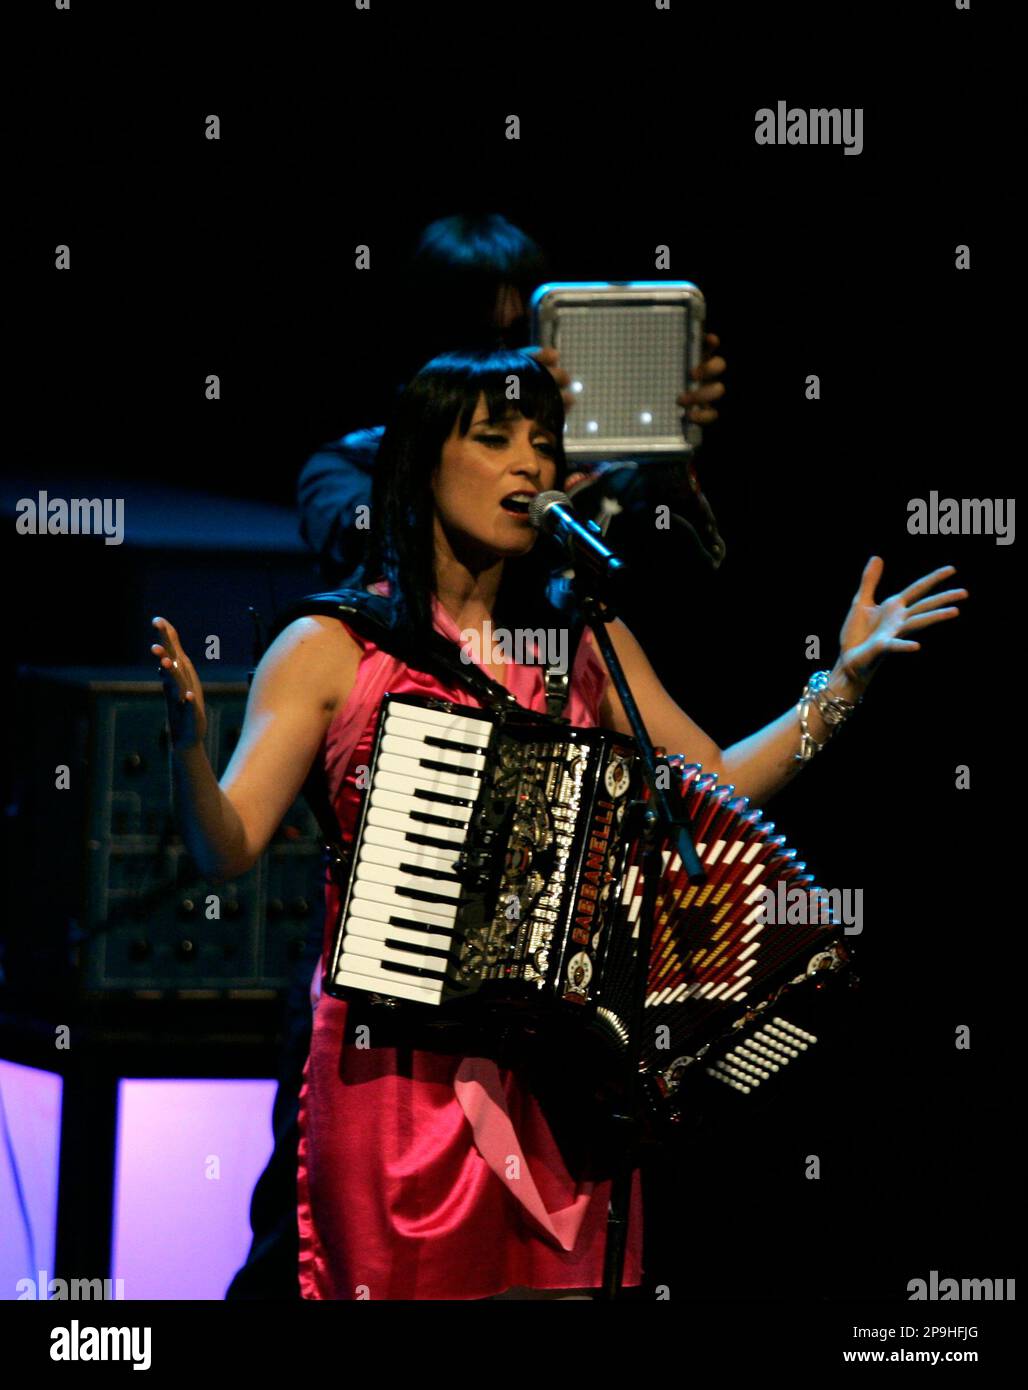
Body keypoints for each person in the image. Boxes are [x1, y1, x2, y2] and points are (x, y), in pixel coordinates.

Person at [151, 348, 964, 1299]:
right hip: (394, 1081)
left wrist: (841, 684)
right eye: (495, 440)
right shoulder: (330, 645)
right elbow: (228, 847)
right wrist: (189, 747)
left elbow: (714, 787)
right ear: (420, 462)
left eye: (543, 445)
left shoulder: (583, 641)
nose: (529, 467)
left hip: (560, 1085)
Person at [298, 212, 727, 587]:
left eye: (518, 337)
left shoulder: (605, 471)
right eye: (481, 342)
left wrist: (667, 446)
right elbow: (367, 557)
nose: (506, 367)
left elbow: (695, 574)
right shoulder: (349, 466)